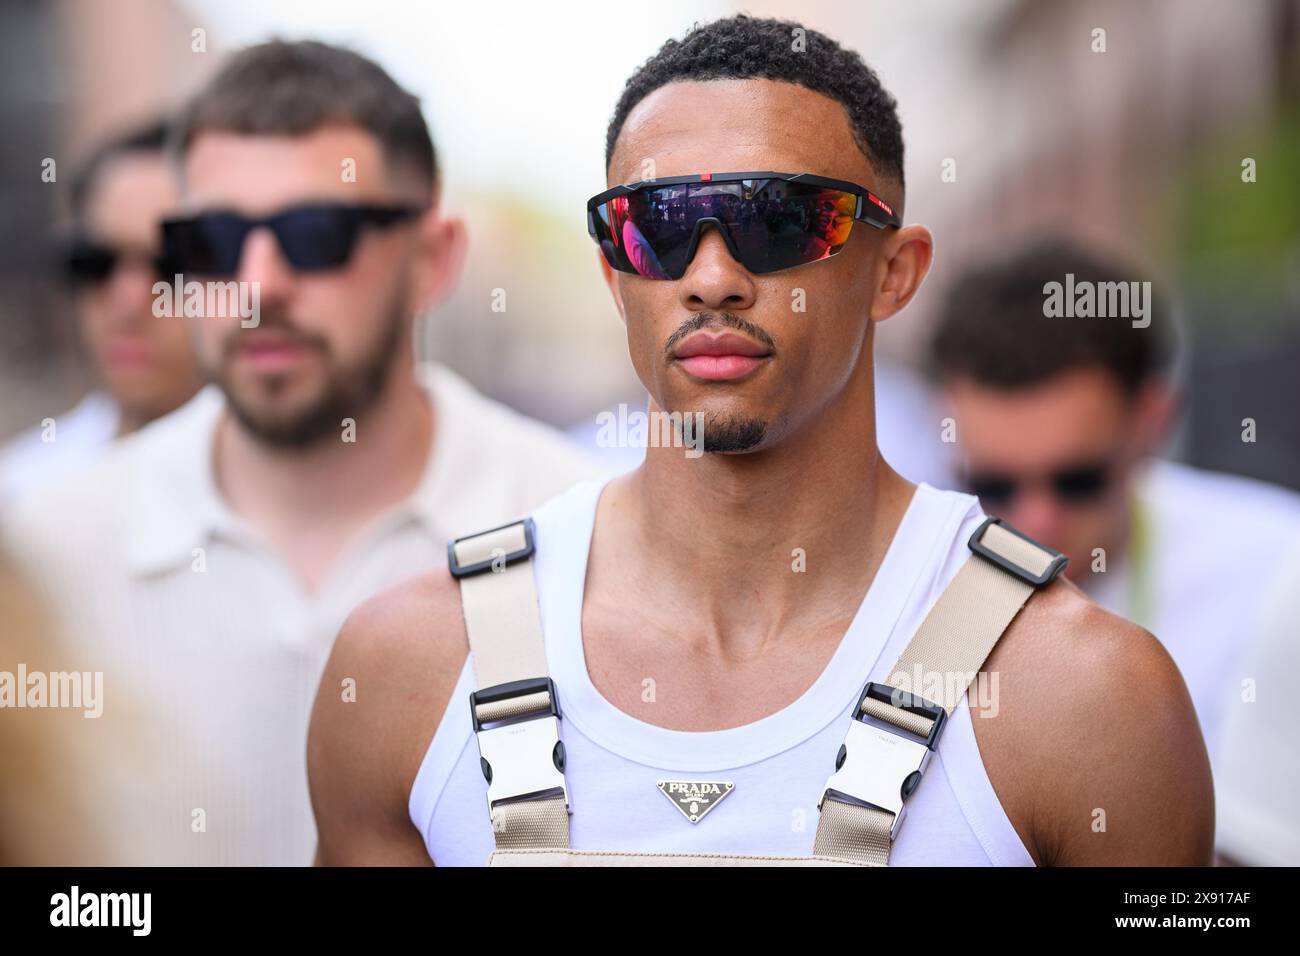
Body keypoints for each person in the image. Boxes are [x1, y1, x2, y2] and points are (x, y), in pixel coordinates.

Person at [309, 16, 1211, 866]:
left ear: (895, 273)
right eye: (654, 226)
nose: (710, 277)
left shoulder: (1086, 697)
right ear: (614, 276)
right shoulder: (412, 665)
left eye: (776, 220)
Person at [4, 40, 600, 865]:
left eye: (317, 234)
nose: (258, 284)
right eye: (212, 242)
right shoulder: (48, 549)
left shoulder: (582, 536)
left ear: (434, 259)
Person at [927, 240, 1300, 783]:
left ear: (1152, 419)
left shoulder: (1279, 567)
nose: (1038, 522)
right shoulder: (906, 573)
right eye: (993, 485)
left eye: (1079, 480)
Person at [0, 122, 205, 506]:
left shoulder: (295, 497)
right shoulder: (24, 492)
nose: (129, 303)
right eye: (96, 262)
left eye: (171, 268)